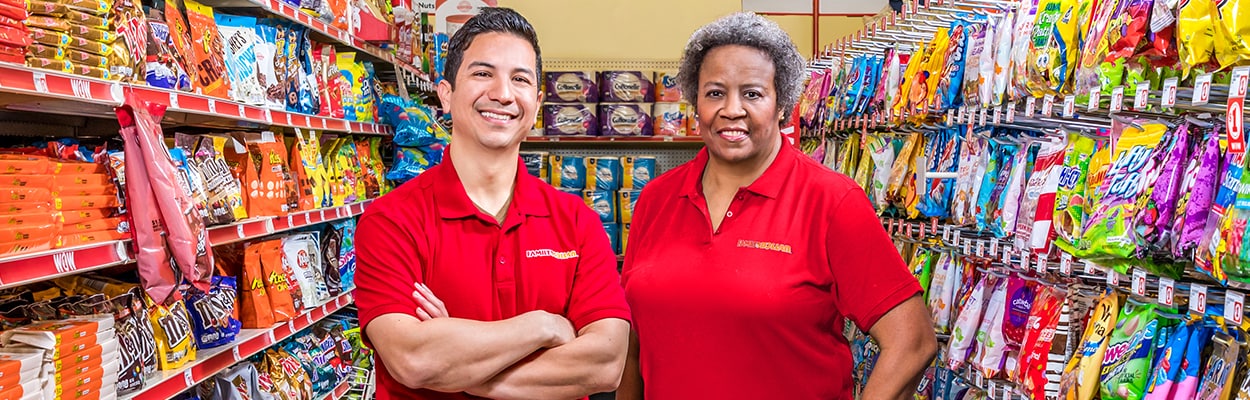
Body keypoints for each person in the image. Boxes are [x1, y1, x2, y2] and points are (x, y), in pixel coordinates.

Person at [617, 13, 938, 400]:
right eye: (715, 92)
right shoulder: (657, 199)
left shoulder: (831, 201)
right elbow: (633, 347)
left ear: (782, 105)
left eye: (752, 93)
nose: (732, 109)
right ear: (695, 102)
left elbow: (912, 342)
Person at [354, 8, 631, 400]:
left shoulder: (578, 223)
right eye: (482, 73)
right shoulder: (391, 221)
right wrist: (543, 327)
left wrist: (454, 361)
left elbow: (605, 364)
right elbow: (413, 360)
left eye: (519, 79)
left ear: (535, 104)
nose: (502, 93)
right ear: (445, 94)